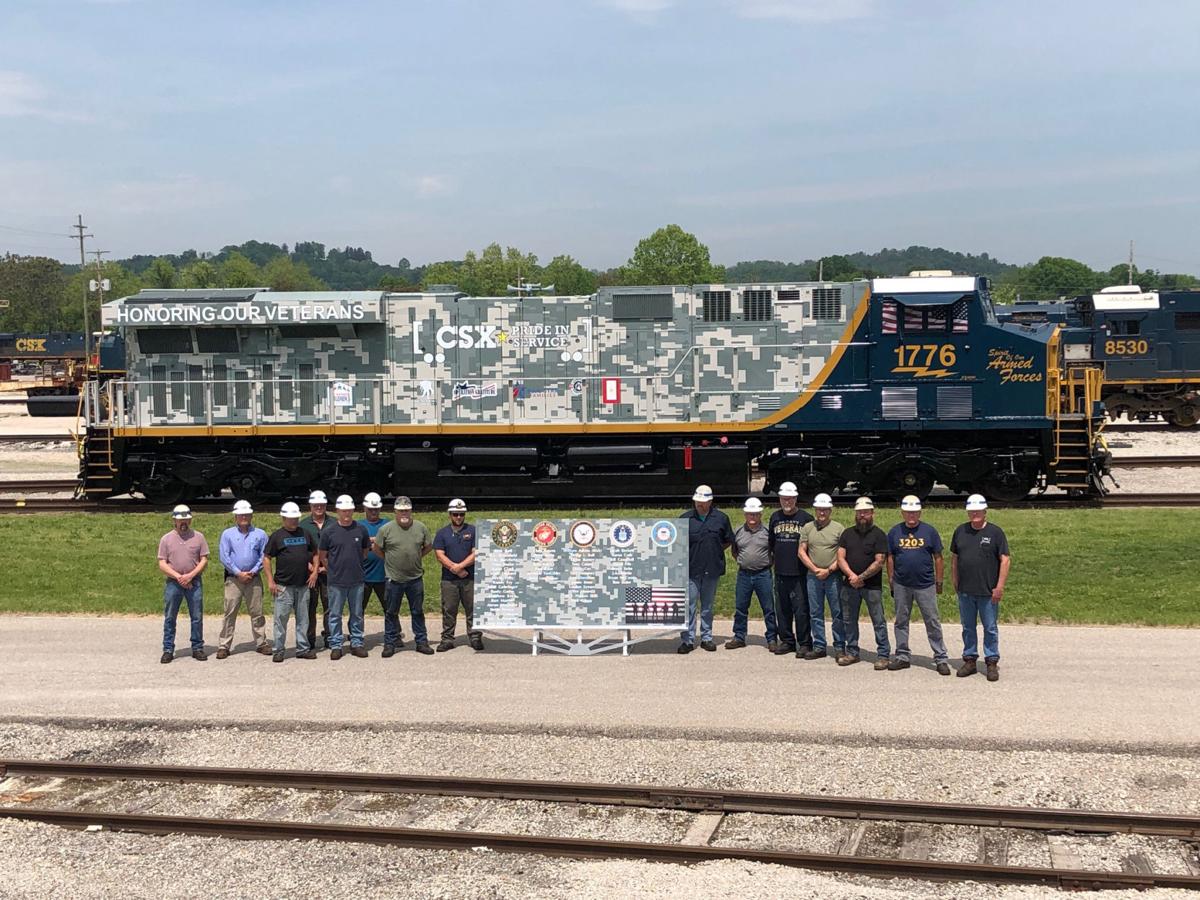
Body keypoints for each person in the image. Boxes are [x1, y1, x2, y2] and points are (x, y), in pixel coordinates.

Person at [886, 495, 951, 675]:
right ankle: (902, 655)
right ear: (903, 513)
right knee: (901, 620)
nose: (911, 515)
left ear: (920, 512)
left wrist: (939, 581)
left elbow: (938, 558)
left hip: (925, 584)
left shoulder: (929, 531)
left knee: (932, 620)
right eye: (908, 512)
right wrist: (891, 580)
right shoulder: (894, 532)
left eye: (914, 512)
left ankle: (940, 657)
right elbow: (890, 557)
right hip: (901, 584)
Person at [951, 494, 1011, 682]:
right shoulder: (960, 531)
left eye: (978, 511)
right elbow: (954, 558)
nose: (975, 514)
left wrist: (999, 586)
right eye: (971, 511)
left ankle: (991, 662)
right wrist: (955, 581)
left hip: (988, 591)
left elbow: (1005, 560)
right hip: (966, 590)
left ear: (985, 512)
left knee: (990, 628)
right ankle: (970, 659)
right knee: (968, 627)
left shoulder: (995, 533)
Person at [373, 496, 435, 657]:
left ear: (411, 510)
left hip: (415, 578)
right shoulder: (386, 529)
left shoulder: (420, 527)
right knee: (391, 612)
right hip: (394, 579)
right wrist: (388, 559)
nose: (404, 513)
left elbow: (428, 546)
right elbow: (377, 548)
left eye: (406, 510)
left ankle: (421, 642)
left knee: (417, 611)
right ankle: (389, 643)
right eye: (401, 510)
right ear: (395, 511)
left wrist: (417, 556)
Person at [679, 484, 734, 654]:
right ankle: (687, 640)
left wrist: (714, 551)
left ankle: (706, 638)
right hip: (691, 569)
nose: (700, 505)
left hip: (712, 569)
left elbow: (727, 540)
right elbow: (678, 544)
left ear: (711, 501)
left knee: (707, 606)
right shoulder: (685, 519)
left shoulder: (722, 518)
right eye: (698, 502)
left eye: (704, 502)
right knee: (689, 606)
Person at [836, 497, 890, 669]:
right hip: (849, 584)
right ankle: (852, 652)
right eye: (859, 512)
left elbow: (879, 561)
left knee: (878, 620)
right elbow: (840, 557)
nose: (862, 516)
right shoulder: (847, 533)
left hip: (871, 586)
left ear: (872, 513)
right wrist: (852, 576)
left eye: (866, 512)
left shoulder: (879, 535)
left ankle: (883, 654)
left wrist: (861, 578)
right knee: (849, 620)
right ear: (855, 514)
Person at [264, 501, 319, 662]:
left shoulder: (305, 533)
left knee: (303, 619)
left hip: (303, 585)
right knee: (280, 619)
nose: (294, 521)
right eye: (291, 518)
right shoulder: (277, 536)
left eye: (296, 518)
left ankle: (302, 648)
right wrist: (270, 581)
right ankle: (279, 650)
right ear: (283, 518)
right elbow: (267, 558)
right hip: (283, 586)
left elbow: (315, 553)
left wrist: (315, 572)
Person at [319, 494, 371, 659]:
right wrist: (332, 569)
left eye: (349, 510)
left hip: (356, 580)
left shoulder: (360, 529)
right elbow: (323, 555)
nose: (347, 513)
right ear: (338, 511)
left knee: (357, 614)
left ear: (353, 510)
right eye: (343, 511)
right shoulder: (329, 531)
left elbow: (365, 551)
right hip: (336, 581)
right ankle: (336, 645)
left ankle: (356, 643)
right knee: (335, 615)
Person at [216, 499, 270, 659]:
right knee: (230, 612)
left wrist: (252, 572)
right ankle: (224, 645)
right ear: (236, 516)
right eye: (241, 514)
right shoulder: (227, 534)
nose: (244, 517)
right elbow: (224, 556)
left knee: (257, 612)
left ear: (251, 515)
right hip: (234, 579)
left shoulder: (260, 534)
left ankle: (261, 643)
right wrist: (238, 572)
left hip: (254, 578)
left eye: (246, 514)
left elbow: (264, 556)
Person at [157, 504, 209, 663]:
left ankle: (197, 647)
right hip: (174, 583)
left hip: (194, 582)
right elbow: (162, 563)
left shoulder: (199, 537)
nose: (183, 522)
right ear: (174, 520)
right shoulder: (166, 539)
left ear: (190, 519)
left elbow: (204, 559)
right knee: (170, 617)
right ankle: (168, 649)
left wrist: (191, 575)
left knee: (196, 617)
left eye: (186, 519)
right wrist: (179, 576)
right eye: (180, 520)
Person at [768, 481, 813, 658]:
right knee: (782, 609)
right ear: (780, 499)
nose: (787, 502)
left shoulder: (805, 518)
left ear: (795, 498)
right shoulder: (775, 517)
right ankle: (787, 640)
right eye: (784, 499)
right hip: (780, 571)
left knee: (801, 610)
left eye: (790, 499)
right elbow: (771, 542)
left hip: (799, 572)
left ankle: (804, 642)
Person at [798, 493, 846, 660]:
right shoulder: (807, 527)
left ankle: (840, 646)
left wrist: (829, 570)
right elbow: (801, 551)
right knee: (815, 611)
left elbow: (842, 555)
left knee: (837, 612)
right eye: (819, 510)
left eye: (825, 510)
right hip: (813, 576)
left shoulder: (839, 529)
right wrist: (815, 569)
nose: (822, 513)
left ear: (830, 510)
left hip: (833, 576)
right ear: (815, 510)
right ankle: (819, 646)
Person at [726, 497, 778, 650]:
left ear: (760, 514)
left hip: (763, 574)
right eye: (750, 514)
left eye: (755, 514)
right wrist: (743, 561)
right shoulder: (738, 531)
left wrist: (766, 563)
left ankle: (772, 638)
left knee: (768, 608)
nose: (752, 517)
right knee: (741, 607)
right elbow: (734, 551)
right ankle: (739, 636)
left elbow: (774, 550)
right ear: (745, 514)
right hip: (744, 574)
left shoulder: (768, 532)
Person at [433, 498, 481, 652]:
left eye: (461, 514)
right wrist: (454, 568)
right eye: (455, 514)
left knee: (472, 608)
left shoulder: (473, 531)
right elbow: (439, 554)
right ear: (450, 514)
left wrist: (460, 566)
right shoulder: (442, 533)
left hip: (469, 577)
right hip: (449, 579)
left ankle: (475, 636)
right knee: (449, 609)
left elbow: (476, 553)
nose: (459, 517)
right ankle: (447, 639)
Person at [301, 490, 332, 651]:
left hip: (329, 572)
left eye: (321, 505)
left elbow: (337, 549)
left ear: (326, 505)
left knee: (329, 605)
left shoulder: (334, 523)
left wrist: (325, 567)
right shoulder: (303, 525)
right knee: (310, 606)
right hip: (310, 573)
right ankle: (310, 638)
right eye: (315, 505)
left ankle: (330, 636)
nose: (319, 507)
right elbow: (300, 550)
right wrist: (311, 567)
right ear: (311, 506)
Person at [358, 492, 389, 620]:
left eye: (376, 509)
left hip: (384, 575)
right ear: (365, 508)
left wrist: (372, 541)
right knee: (358, 609)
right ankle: (356, 635)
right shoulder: (358, 525)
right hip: (362, 575)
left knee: (389, 608)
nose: (374, 512)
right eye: (371, 509)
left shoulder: (388, 525)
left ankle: (393, 634)